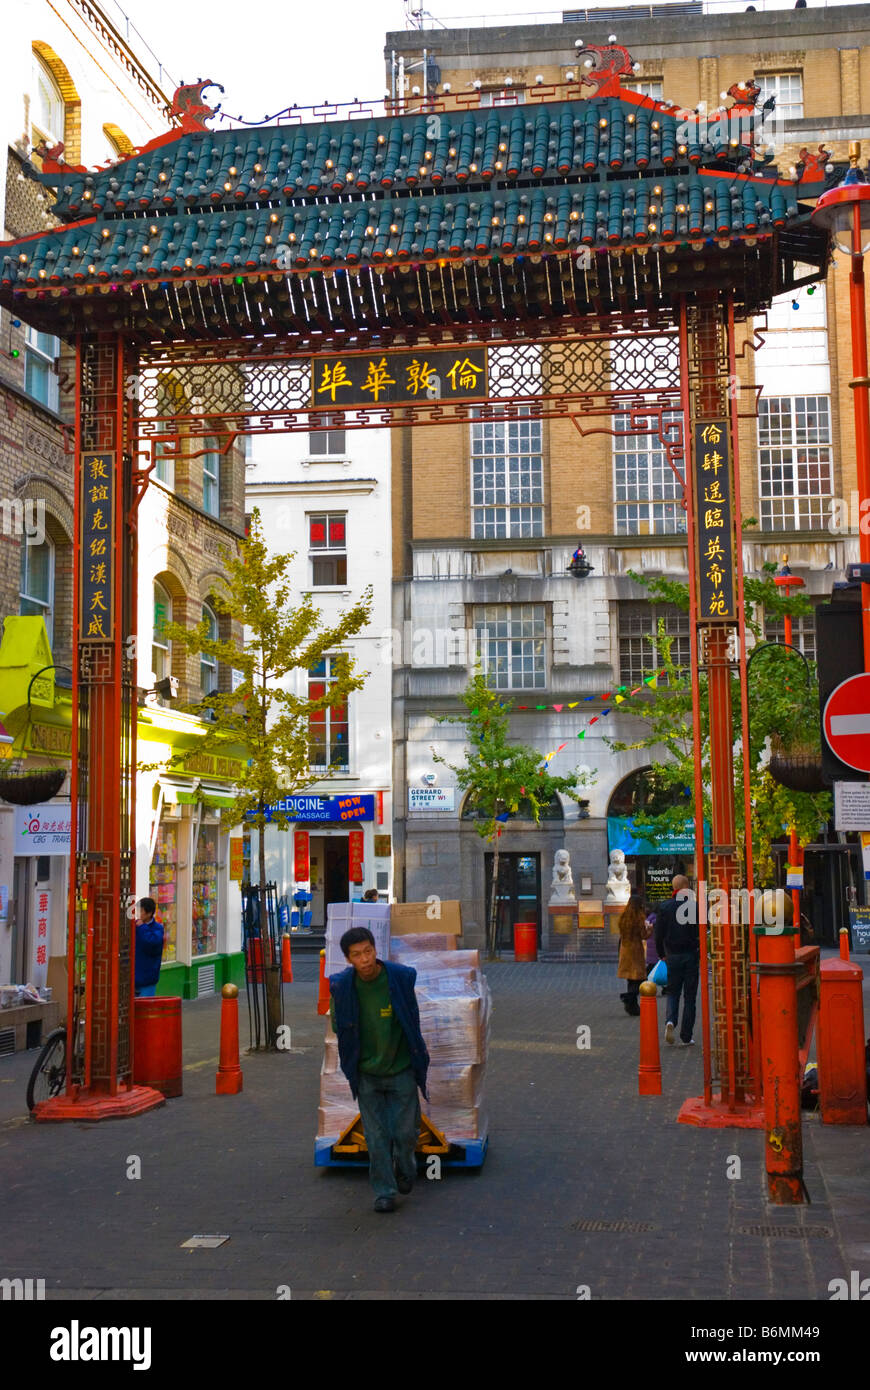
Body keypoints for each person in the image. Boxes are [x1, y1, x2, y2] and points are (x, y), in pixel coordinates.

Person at [329, 926, 430, 1213]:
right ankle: (384, 1192)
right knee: (375, 1136)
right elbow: (339, 1026)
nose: (365, 959)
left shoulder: (399, 978)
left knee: (405, 1132)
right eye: (357, 955)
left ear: (376, 949)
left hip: (401, 1069)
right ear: (349, 959)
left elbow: (412, 1019)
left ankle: (406, 1170)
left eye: (368, 951)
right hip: (367, 1074)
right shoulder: (342, 986)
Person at [654, 874, 699, 1046]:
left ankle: (670, 1021)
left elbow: (658, 934)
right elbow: (701, 931)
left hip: (671, 955)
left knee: (673, 992)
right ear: (686, 887)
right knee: (690, 997)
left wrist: (661, 953)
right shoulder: (694, 907)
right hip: (690, 955)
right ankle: (686, 1035)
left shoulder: (665, 907)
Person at [617, 895, 651, 1016]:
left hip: (625, 949)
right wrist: (650, 929)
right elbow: (643, 935)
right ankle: (628, 997)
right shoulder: (639, 918)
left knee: (630, 978)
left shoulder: (623, 917)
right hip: (635, 950)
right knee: (640, 978)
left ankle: (632, 1006)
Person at [134, 897, 164, 998]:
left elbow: (151, 943)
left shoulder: (158, 929)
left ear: (149, 913)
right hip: (133, 978)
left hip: (147, 979)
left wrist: (142, 927)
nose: (138, 913)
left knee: (145, 1009)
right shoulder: (135, 926)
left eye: (140, 910)